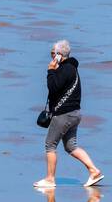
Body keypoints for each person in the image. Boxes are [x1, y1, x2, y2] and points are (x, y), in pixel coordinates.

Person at [35, 39, 103, 188]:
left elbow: (53, 87)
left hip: (64, 115)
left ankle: (50, 179)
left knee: (50, 145)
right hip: (75, 114)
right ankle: (94, 171)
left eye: (52, 53)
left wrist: (51, 71)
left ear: (59, 55)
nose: (51, 56)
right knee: (70, 146)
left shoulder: (65, 69)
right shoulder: (72, 69)